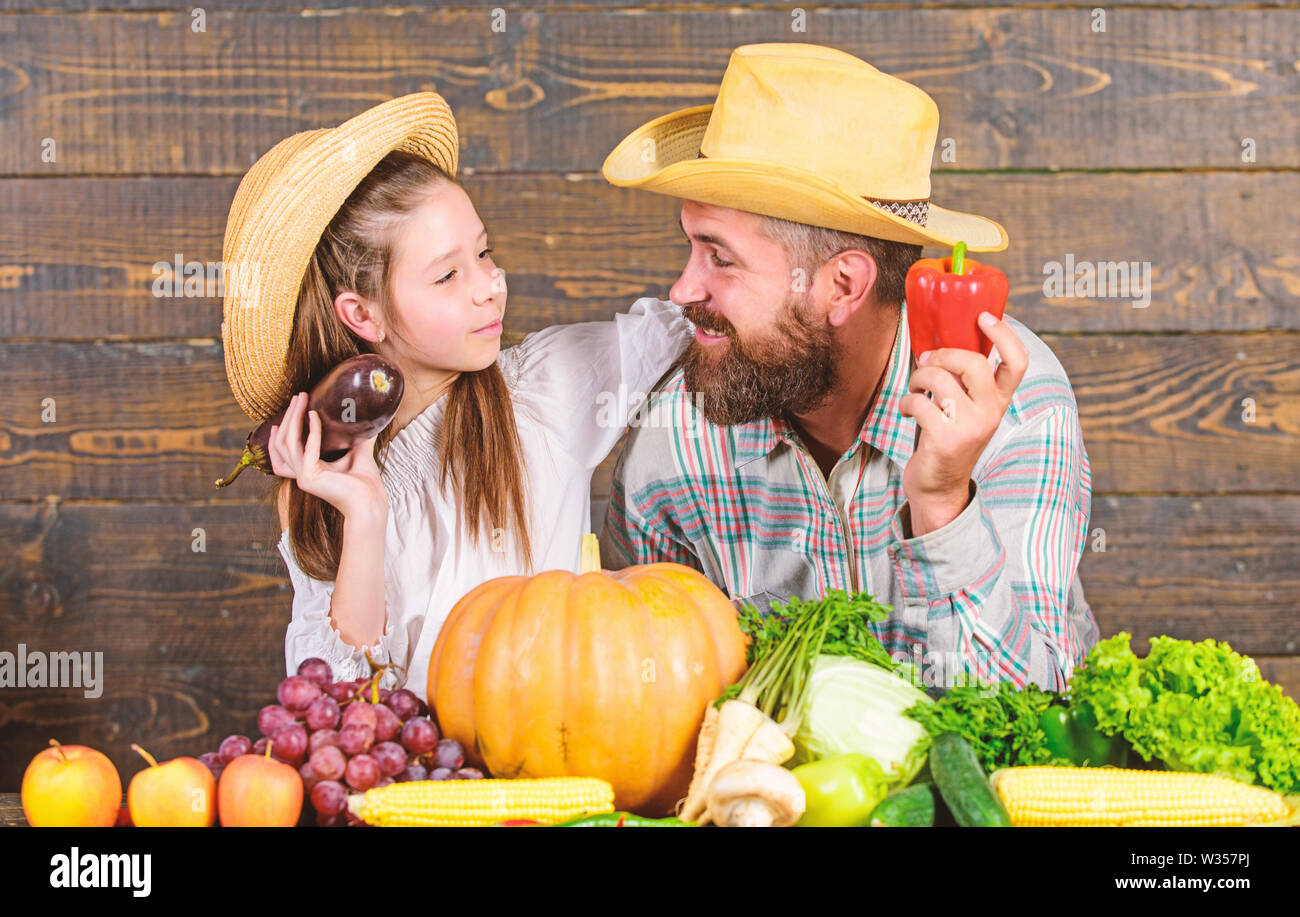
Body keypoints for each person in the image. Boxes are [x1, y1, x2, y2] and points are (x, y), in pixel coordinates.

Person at [598, 43, 1100, 691]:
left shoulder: (1017, 407)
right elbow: (632, 694)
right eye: (690, 247)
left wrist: (944, 504)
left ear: (841, 286)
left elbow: (1027, 716)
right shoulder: (671, 443)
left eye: (719, 258)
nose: (683, 290)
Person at [220, 93, 693, 699]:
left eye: (484, 253)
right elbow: (339, 703)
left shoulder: (547, 389)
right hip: (427, 786)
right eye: (448, 276)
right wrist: (363, 518)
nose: (489, 287)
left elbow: (691, 321)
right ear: (362, 314)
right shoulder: (320, 492)